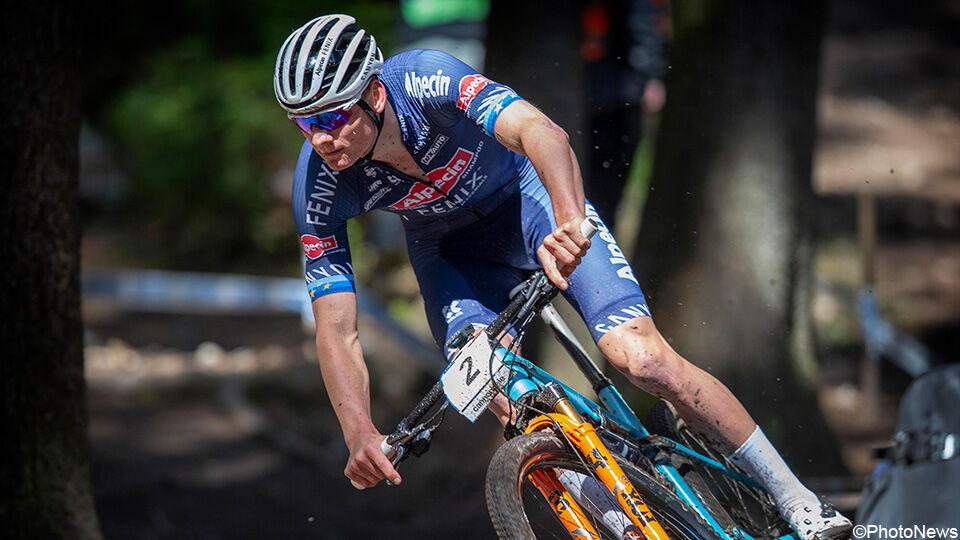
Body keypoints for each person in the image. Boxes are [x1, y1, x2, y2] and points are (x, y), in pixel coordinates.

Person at [274, 14, 851, 540]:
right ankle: (616, 518)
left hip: (530, 201)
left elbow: (542, 134)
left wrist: (571, 226)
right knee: (494, 389)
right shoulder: (319, 186)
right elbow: (336, 328)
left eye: (332, 117)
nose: (321, 139)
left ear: (374, 95)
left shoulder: (427, 79)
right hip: (450, 253)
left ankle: (796, 497)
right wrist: (358, 431)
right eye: (305, 123)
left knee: (639, 358)